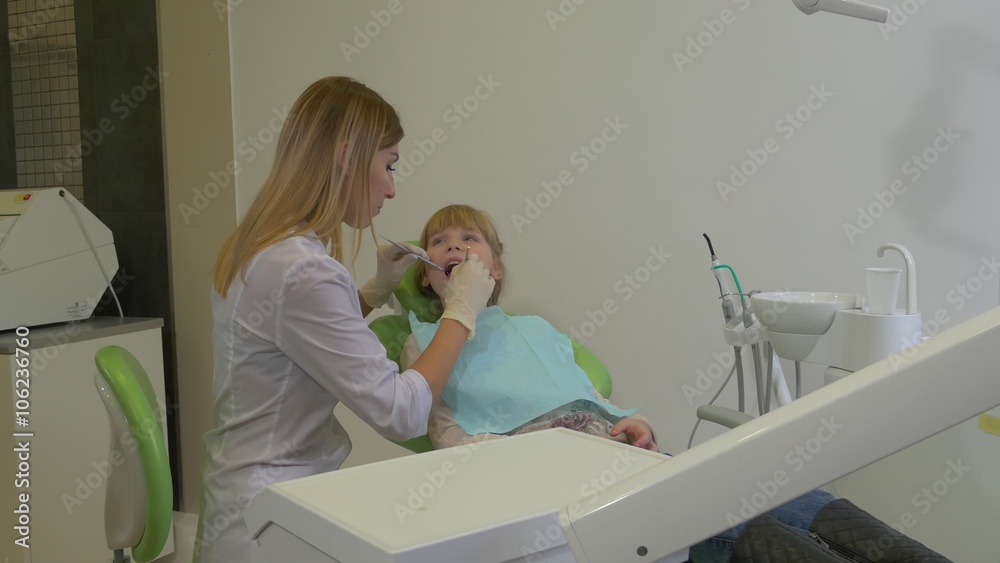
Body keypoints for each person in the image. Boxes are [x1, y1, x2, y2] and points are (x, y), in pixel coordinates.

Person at [193, 78, 496, 563]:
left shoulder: (262, 247)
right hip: (269, 522)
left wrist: (371, 293)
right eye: (389, 165)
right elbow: (400, 413)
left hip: (244, 496)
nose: (393, 188)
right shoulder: (304, 269)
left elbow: (298, 345)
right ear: (348, 155)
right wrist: (461, 312)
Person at [398, 204, 657, 451]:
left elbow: (587, 395)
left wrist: (641, 424)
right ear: (423, 274)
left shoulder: (536, 328)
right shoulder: (421, 343)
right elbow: (447, 435)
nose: (454, 245)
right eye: (439, 241)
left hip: (598, 437)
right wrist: (523, 455)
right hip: (520, 459)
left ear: (496, 268)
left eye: (470, 238)